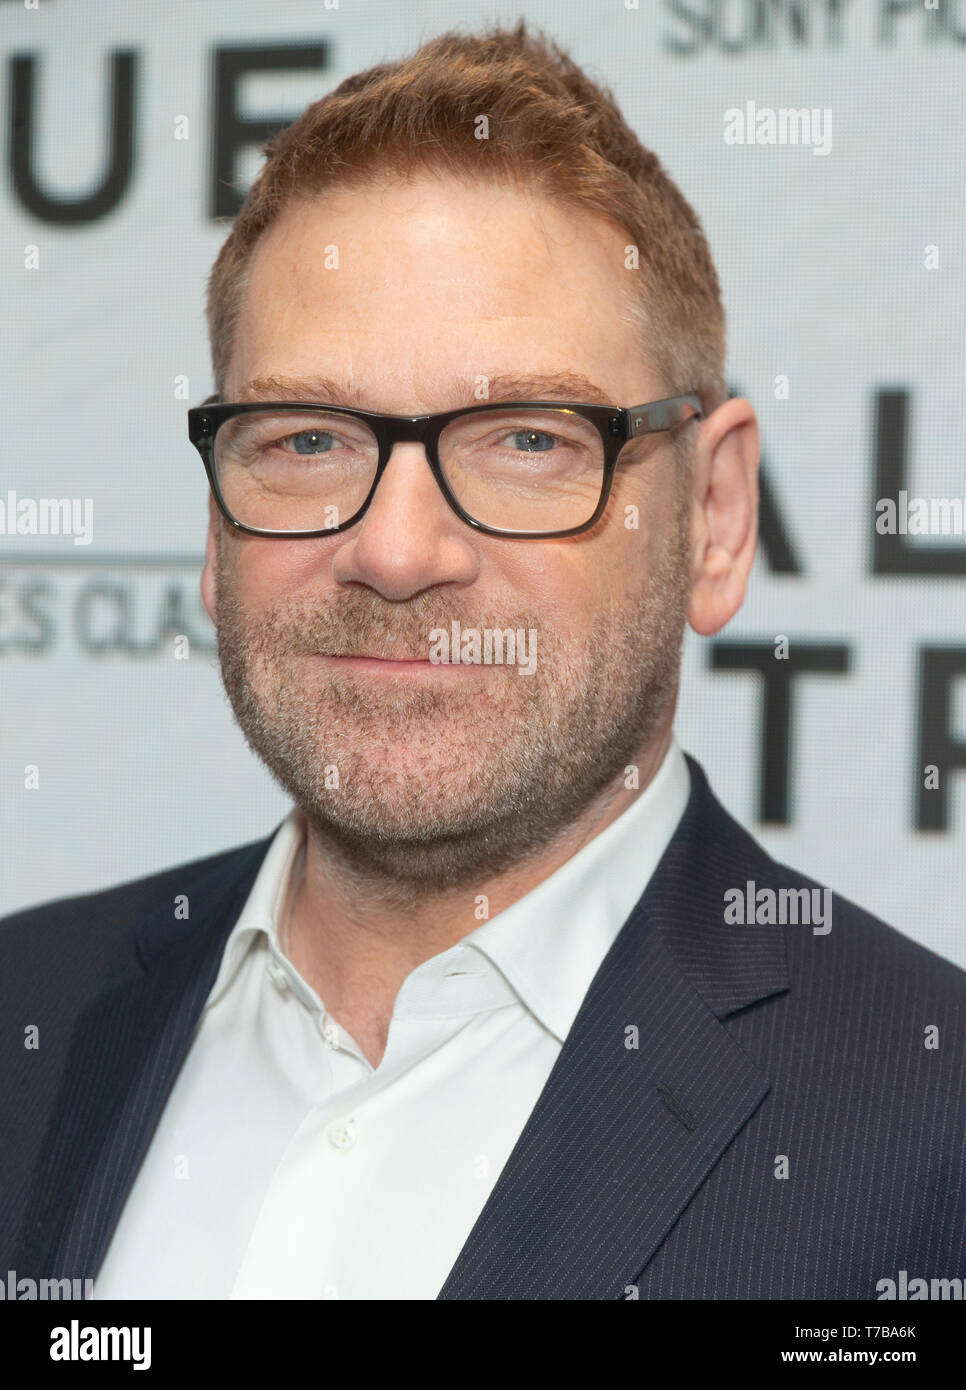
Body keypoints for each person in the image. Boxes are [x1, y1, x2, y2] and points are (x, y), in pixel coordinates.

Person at [3, 20, 964, 1301]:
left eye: (526, 439)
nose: (397, 551)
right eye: (306, 441)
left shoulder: (929, 1128)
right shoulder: (31, 1008)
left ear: (716, 519)